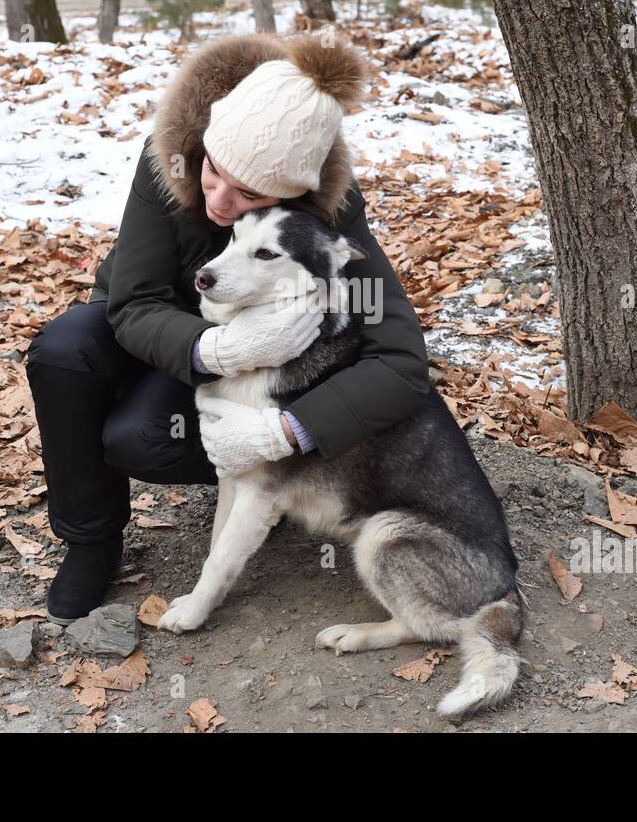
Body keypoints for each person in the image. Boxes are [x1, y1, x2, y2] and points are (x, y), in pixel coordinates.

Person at [24, 31, 431, 625]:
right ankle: (91, 540)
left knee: (141, 438)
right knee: (62, 350)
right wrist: (211, 348)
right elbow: (132, 301)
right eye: (213, 174)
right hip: (162, 327)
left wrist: (288, 433)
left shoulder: (331, 211)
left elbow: (399, 359)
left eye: (247, 194)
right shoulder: (168, 158)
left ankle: (270, 488)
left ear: (297, 195)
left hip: (261, 371)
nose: (217, 200)